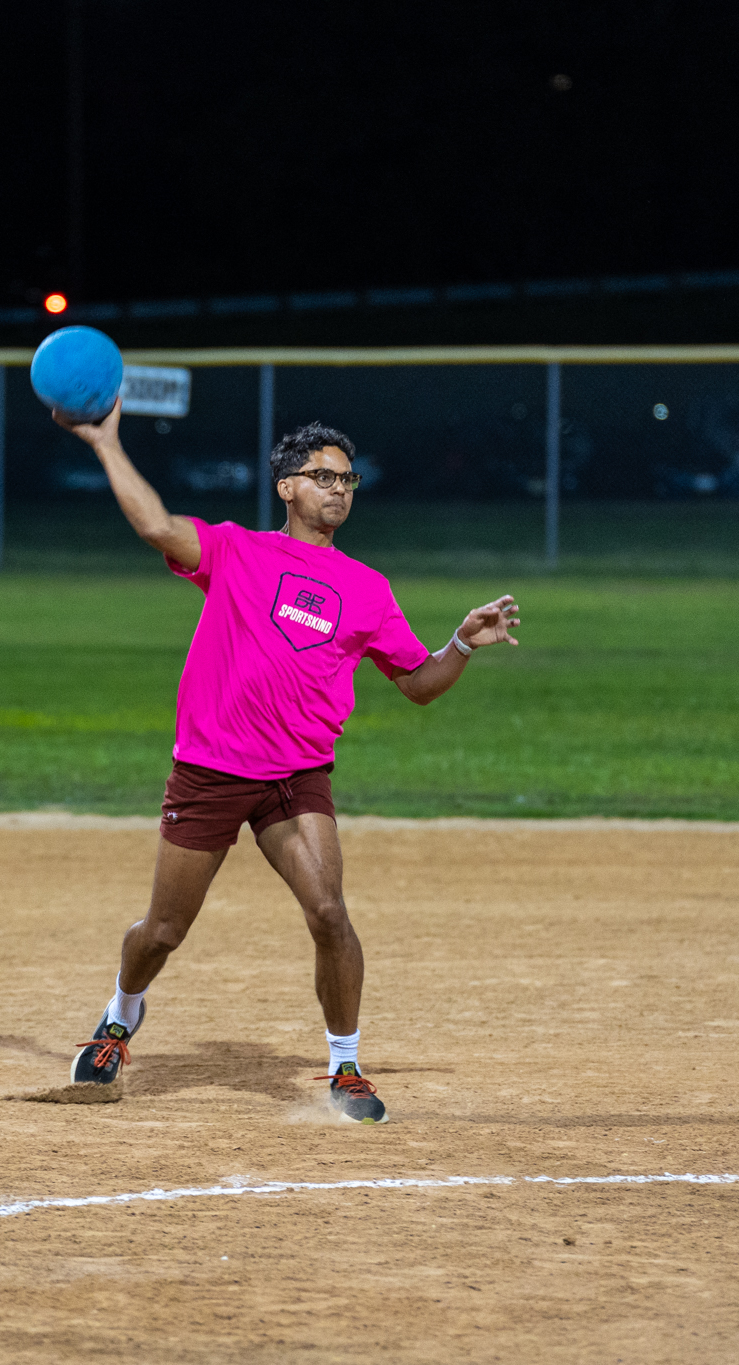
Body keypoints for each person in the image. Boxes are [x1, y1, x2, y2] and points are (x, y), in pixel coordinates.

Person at [53, 403, 520, 1123]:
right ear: (286, 488)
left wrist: (459, 643)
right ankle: (120, 1017)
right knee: (163, 931)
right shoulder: (236, 551)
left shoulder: (367, 588)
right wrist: (107, 442)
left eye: (348, 478)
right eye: (321, 475)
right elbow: (154, 526)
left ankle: (344, 1066)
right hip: (210, 770)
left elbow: (418, 685)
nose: (338, 489)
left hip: (295, 778)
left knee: (329, 912)